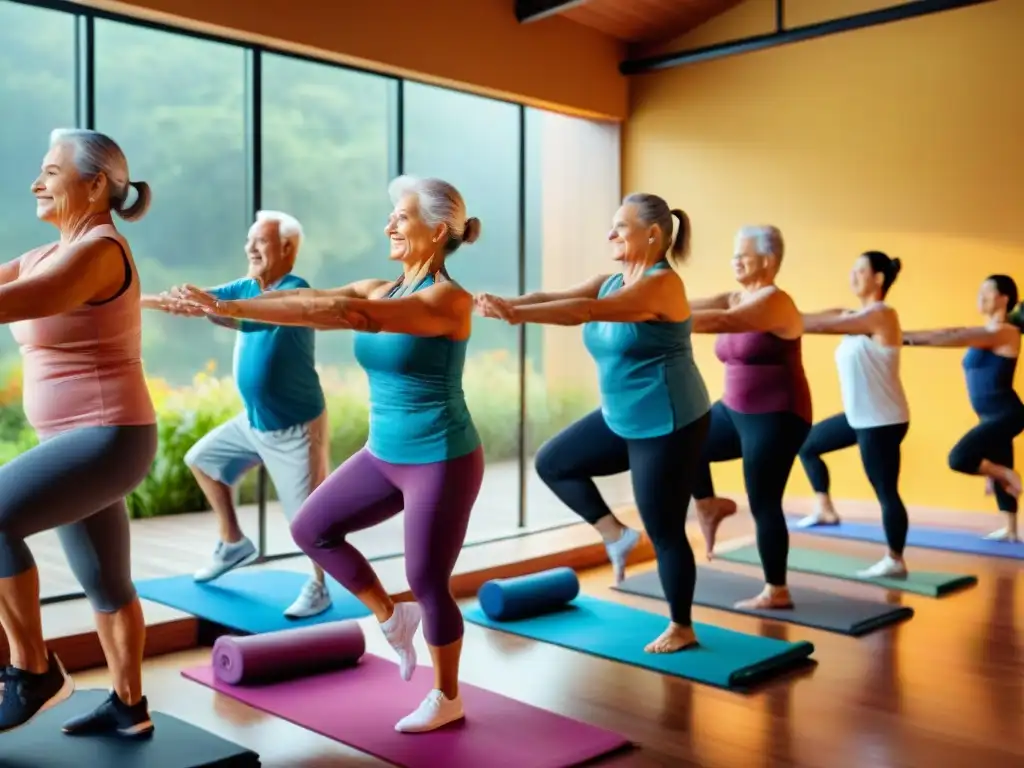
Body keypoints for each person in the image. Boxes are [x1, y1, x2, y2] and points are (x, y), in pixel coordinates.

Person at [173, 176, 483, 734]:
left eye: (402, 216)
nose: (389, 223)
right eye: (391, 214)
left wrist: (229, 304)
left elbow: (344, 315)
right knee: (312, 527)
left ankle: (447, 694)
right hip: (383, 454)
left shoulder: (448, 300)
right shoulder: (379, 287)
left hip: (441, 456)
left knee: (429, 578)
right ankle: (392, 615)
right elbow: (306, 299)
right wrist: (225, 308)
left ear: (437, 232)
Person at [476, 194, 710, 653]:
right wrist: (510, 302)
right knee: (555, 462)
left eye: (620, 227)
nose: (610, 235)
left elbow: (583, 313)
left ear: (653, 235)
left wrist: (518, 315)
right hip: (621, 416)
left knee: (664, 530)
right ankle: (616, 534)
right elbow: (559, 298)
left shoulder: (663, 288)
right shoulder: (611, 281)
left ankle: (682, 625)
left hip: (668, 421)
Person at [0, 128, 157, 736]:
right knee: (106, 580)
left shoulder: (98, 251)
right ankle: (129, 706)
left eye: (51, 171)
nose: (37, 182)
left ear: (95, 186)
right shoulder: (50, 250)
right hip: (82, 441)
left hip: (107, 438)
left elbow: (28, 300)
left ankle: (31, 670)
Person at [144, 211, 332, 619]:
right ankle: (233, 542)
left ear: (286, 248)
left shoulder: (295, 292)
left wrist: (213, 307)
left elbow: (248, 316)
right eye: (248, 241)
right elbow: (198, 301)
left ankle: (320, 587)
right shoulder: (247, 285)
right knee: (203, 461)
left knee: (308, 523)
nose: (249, 249)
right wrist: (135, 299)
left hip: (295, 428)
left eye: (259, 242)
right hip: (254, 421)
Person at [688, 225, 811, 610]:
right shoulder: (734, 296)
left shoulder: (775, 302)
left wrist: (663, 324)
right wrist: (640, 306)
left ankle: (777, 589)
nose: (735, 260)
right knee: (683, 436)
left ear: (769, 260)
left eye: (743, 254)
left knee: (764, 501)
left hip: (777, 416)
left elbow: (726, 322)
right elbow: (686, 307)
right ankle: (707, 504)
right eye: (733, 254)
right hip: (733, 410)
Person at [796, 251, 912, 578]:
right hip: (858, 417)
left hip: (882, 420)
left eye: (860, 270)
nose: (853, 275)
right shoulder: (854, 316)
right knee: (808, 445)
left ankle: (895, 559)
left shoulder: (882, 315)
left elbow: (821, 324)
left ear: (878, 278)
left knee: (885, 491)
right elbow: (816, 316)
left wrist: (783, 320)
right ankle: (825, 508)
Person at [903, 275, 1024, 543]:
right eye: (978, 290)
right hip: (989, 415)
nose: (979, 296)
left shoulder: (1004, 332)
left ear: (1004, 299)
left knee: (959, 458)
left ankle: (1006, 474)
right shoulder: (987, 333)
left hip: (1007, 413)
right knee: (998, 463)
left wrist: (906, 338)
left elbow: (952, 334)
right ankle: (1011, 529)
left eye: (987, 292)